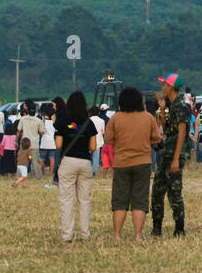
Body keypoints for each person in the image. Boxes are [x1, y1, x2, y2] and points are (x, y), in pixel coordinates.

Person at [104, 86, 161, 239]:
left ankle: (117, 235)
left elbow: (108, 139)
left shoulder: (116, 118)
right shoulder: (148, 117)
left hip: (121, 162)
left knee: (120, 200)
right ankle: (138, 235)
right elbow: (156, 138)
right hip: (143, 162)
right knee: (140, 200)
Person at [55, 90, 98, 241]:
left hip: (68, 161)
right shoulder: (89, 123)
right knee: (85, 200)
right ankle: (85, 234)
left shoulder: (62, 121)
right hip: (85, 162)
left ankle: (67, 234)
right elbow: (93, 147)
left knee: (66, 199)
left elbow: (59, 144)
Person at [152, 74, 190, 236]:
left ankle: (179, 229)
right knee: (157, 191)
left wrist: (176, 159)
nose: (162, 88)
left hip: (175, 154)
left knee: (174, 192)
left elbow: (182, 133)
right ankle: (157, 228)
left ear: (172, 87)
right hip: (167, 153)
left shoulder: (181, 105)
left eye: (165, 85)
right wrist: (162, 110)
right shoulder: (172, 105)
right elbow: (169, 129)